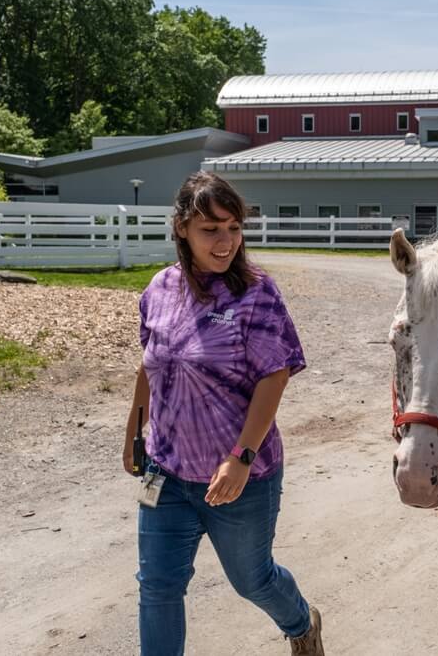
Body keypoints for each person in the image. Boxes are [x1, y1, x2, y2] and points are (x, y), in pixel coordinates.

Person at [123, 171, 324, 656]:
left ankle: (301, 624)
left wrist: (242, 456)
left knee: (252, 581)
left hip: (239, 476)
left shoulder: (257, 293)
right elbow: (151, 362)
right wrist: (135, 433)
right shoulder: (160, 288)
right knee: (158, 587)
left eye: (233, 227)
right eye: (210, 229)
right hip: (166, 471)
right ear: (182, 230)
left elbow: (273, 376)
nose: (225, 240)